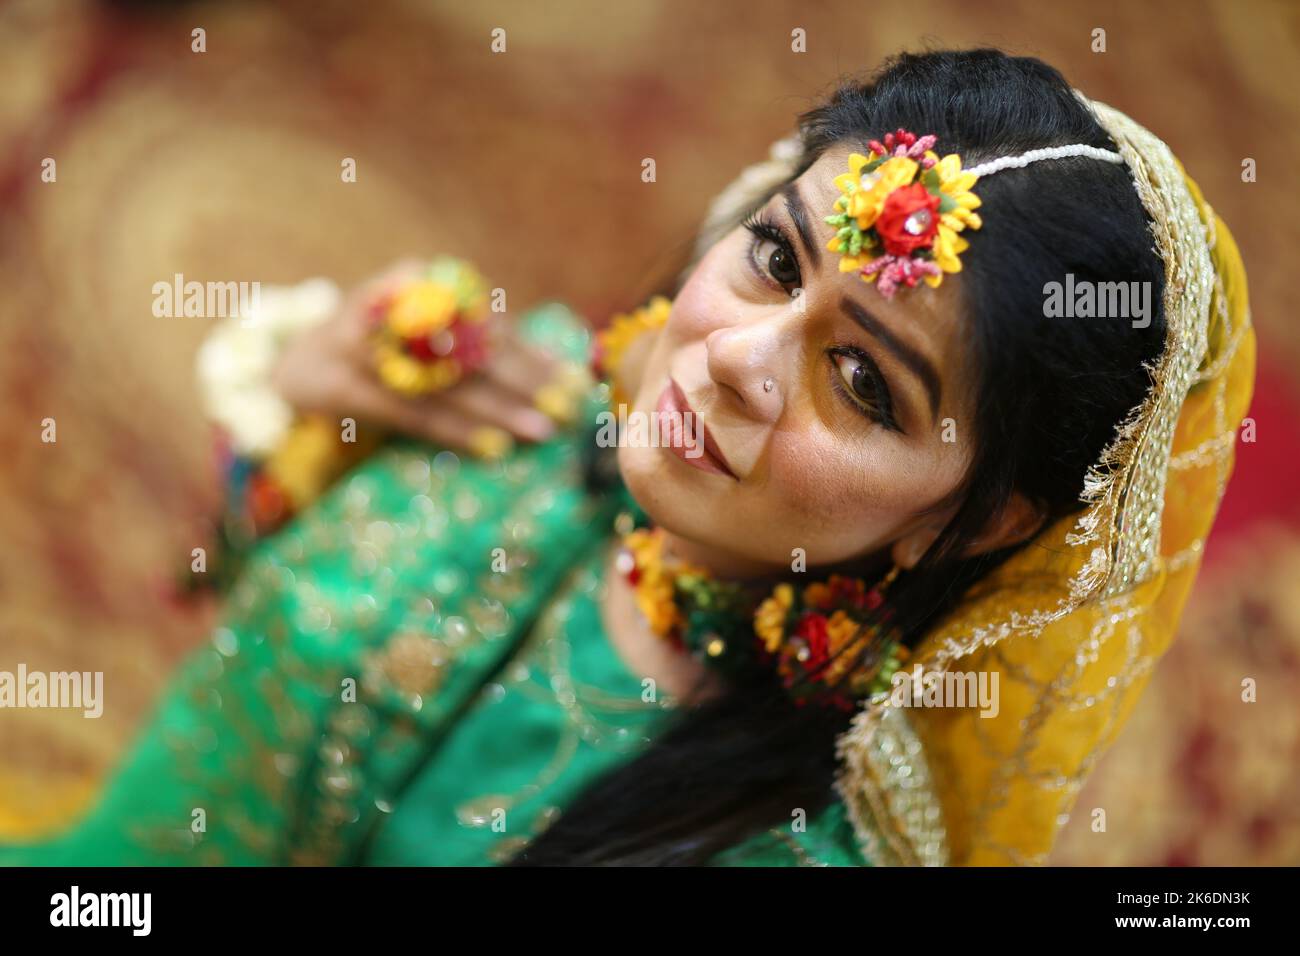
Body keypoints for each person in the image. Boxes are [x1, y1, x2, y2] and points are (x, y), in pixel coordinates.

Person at [0, 48, 1254, 866]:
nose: (735, 360)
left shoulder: (786, 845)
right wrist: (305, 421)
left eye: (863, 380)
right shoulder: (521, 406)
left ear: (974, 524)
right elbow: (230, 608)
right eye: (775, 258)